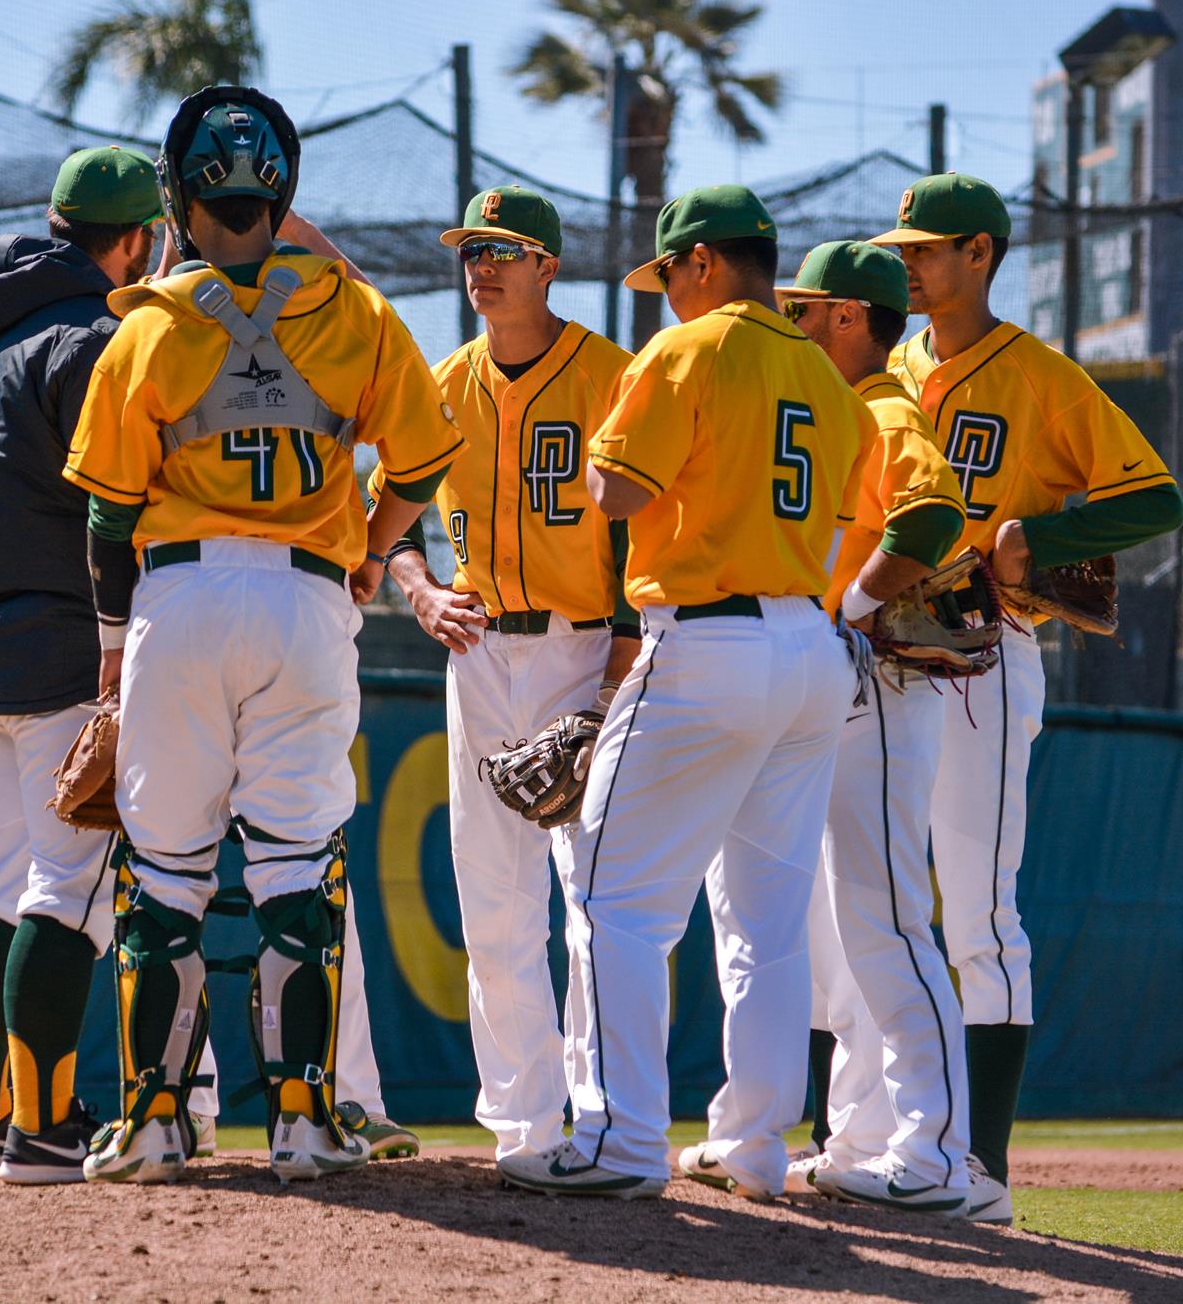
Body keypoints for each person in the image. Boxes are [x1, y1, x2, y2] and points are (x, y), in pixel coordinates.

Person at [66, 86, 461, 1186]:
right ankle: (302, 1121)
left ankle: (152, 1122)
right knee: (297, 863)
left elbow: (104, 509)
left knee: (164, 869)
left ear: (178, 197)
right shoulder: (360, 311)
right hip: (305, 600)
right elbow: (422, 461)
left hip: (177, 601)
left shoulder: (143, 324)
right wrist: (374, 554)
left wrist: (110, 641)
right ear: (281, 192)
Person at [496, 186, 874, 1201]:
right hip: (806, 651)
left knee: (610, 899)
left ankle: (617, 1141)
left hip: (702, 643)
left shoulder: (685, 351)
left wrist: (590, 450)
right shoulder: (823, 375)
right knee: (766, 920)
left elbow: (614, 492)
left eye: (666, 273)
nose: (663, 294)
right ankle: (751, 1144)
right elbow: (837, 503)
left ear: (701, 262)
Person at [872, 173, 1183, 1201]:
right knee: (873, 901)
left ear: (979, 252)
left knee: (977, 911)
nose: (906, 262)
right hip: (885, 653)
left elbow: (1153, 495)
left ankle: (982, 1164)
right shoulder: (891, 363)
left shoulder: (1042, 375)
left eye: (924, 248)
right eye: (904, 248)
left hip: (982, 656)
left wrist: (1039, 537)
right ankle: (877, 1142)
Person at [706, 240, 1001, 1222]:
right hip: (841, 687)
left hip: (876, 684)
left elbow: (930, 512)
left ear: (845, 317)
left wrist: (854, 605)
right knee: (841, 934)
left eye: (805, 310)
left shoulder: (880, 407)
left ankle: (941, 1155)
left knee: (883, 918)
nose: (791, 323)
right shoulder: (841, 411)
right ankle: (867, 1137)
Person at [380, 185, 638, 1162]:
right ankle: (522, 1127)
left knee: (596, 898)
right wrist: (418, 590)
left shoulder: (612, 377)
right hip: (477, 649)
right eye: (471, 249)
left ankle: (607, 1116)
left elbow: (642, 533)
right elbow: (389, 517)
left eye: (503, 248)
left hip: (582, 647)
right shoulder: (442, 382)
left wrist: (614, 675)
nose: (480, 264)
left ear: (548, 266)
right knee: (491, 897)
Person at [0, 145, 164, 1185]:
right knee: (67, 887)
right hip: (63, 641)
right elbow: (116, 509)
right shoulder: (90, 339)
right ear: (131, 240)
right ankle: (45, 1129)